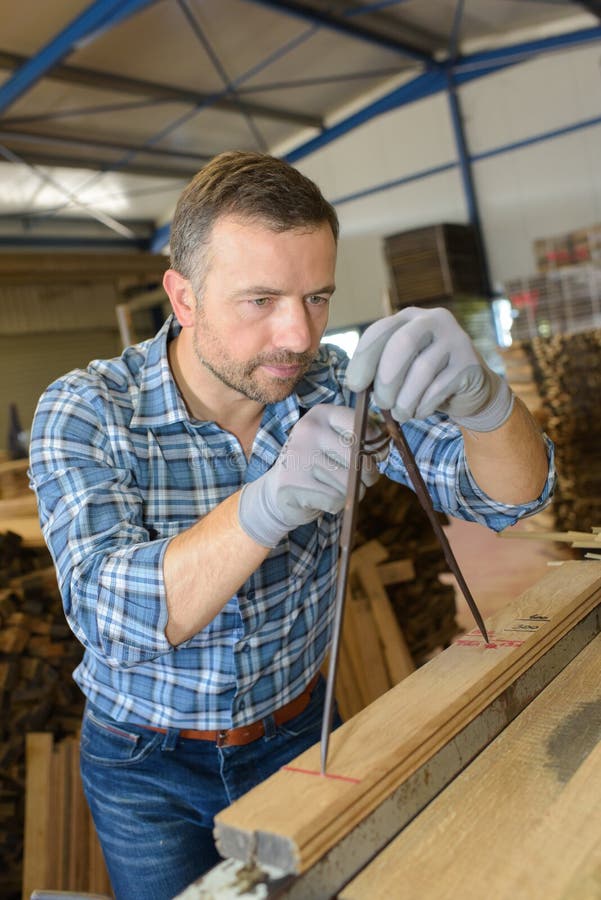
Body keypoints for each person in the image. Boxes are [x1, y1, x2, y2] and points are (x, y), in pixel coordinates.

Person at [29, 151, 555, 900]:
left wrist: (484, 402)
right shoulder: (88, 410)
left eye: (316, 297)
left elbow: (511, 498)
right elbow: (109, 616)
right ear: (182, 297)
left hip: (298, 732)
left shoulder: (334, 387)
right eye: (260, 300)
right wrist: (266, 503)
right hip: (146, 765)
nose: (298, 335)